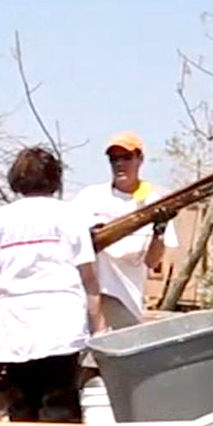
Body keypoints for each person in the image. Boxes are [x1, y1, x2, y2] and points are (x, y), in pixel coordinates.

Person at [0, 147, 107, 422]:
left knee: (21, 406)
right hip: (62, 326)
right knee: (61, 408)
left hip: (19, 326)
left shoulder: (2, 218)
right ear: (55, 179)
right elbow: (88, 278)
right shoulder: (71, 216)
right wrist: (99, 328)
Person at [69, 131, 176, 329]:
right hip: (87, 298)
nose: (120, 164)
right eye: (114, 159)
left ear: (140, 159)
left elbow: (153, 262)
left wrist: (159, 230)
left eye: (126, 157)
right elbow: (67, 243)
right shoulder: (89, 197)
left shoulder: (153, 203)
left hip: (125, 301)